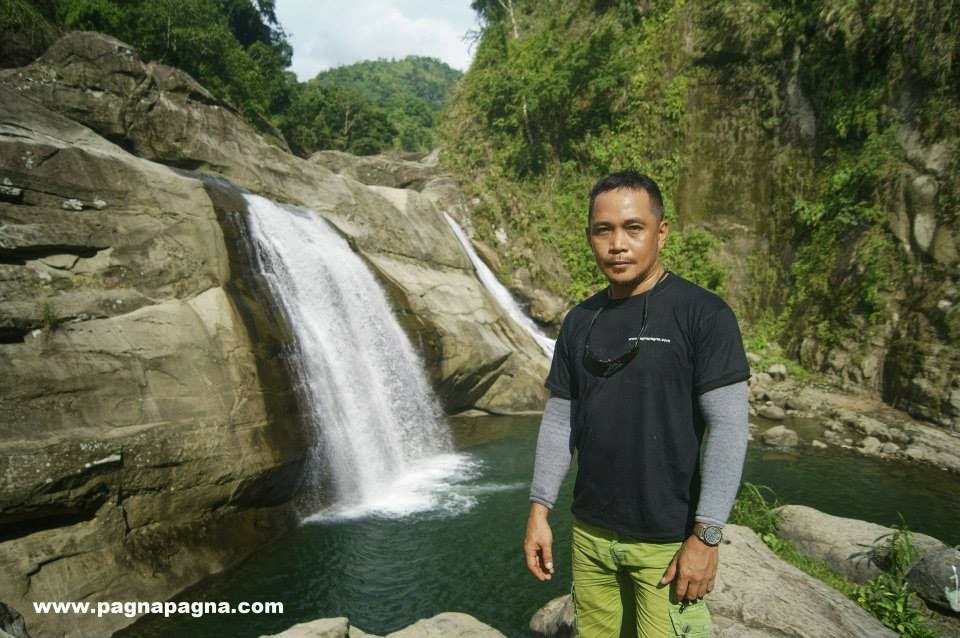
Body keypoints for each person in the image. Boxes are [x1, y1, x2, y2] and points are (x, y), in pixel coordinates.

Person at [523, 171, 750, 638]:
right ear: (590, 236)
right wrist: (539, 510)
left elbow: (728, 428)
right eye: (603, 230)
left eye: (633, 228)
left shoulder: (703, 315)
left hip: (666, 544)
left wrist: (706, 537)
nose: (617, 244)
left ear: (661, 232)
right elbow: (561, 418)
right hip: (590, 537)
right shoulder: (580, 321)